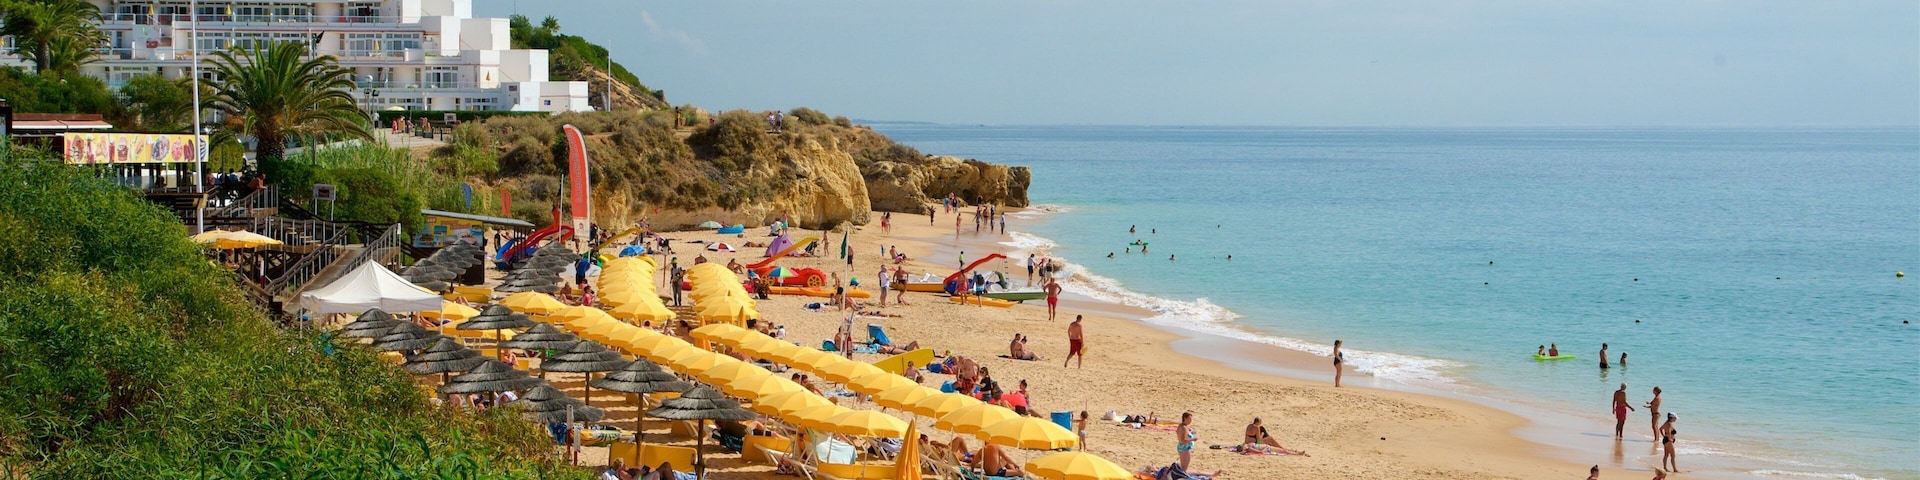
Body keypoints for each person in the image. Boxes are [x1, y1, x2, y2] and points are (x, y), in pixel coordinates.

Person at [1242, 418, 1309, 456]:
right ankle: (1286, 449)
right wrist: (1262, 434)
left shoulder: (1249, 426)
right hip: (1255, 444)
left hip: (1249, 442)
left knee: (1270, 439)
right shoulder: (1257, 428)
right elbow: (1259, 441)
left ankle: (1290, 450)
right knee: (1271, 439)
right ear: (1258, 423)